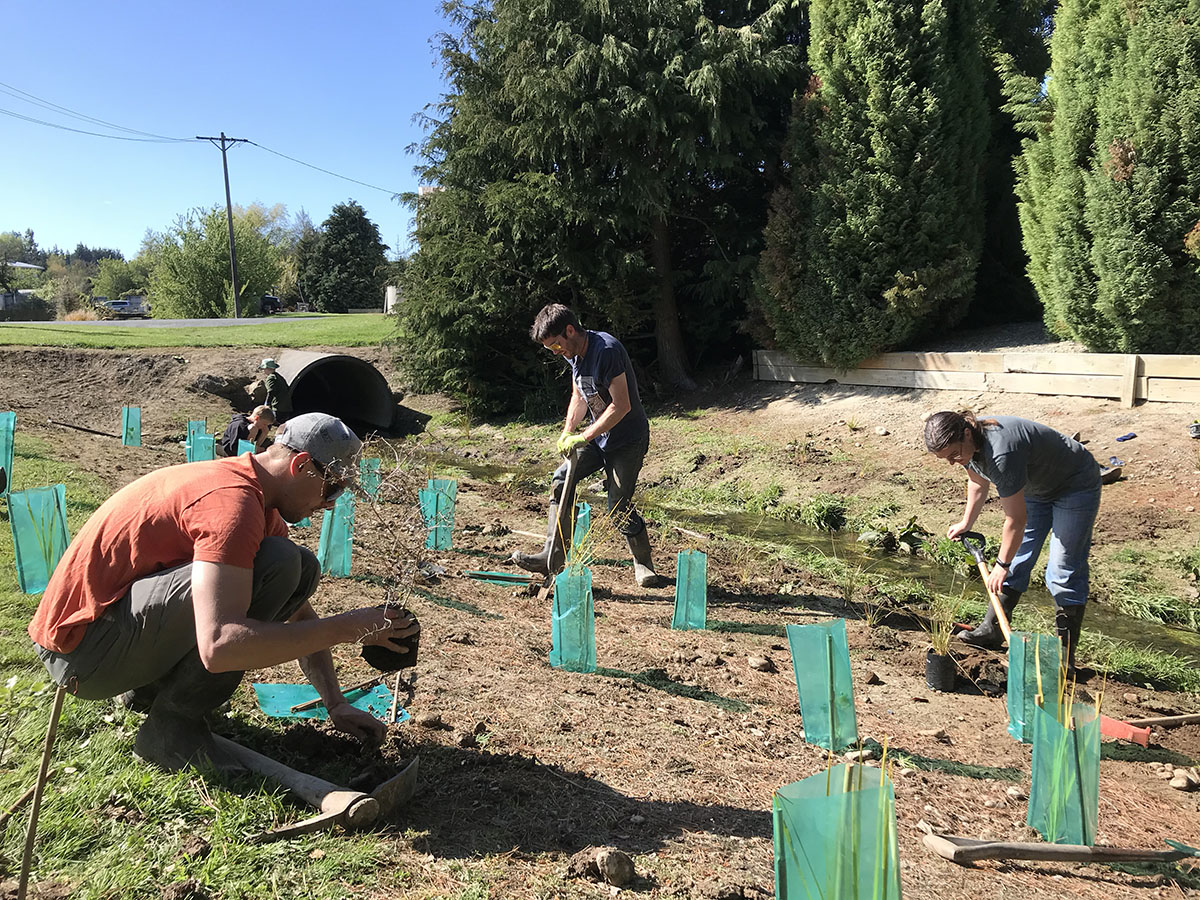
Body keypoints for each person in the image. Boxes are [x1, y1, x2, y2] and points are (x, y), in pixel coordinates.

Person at [28, 412, 420, 772]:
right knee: (280, 563)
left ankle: (147, 694)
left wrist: (335, 702)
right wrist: (348, 627)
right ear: (300, 465)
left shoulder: (257, 498)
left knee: (295, 567)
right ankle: (171, 732)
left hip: (105, 638)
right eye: (332, 489)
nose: (330, 504)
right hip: (81, 656)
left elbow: (300, 612)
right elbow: (221, 646)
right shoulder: (232, 504)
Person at [924, 410, 1101, 669]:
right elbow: (977, 481)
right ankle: (992, 629)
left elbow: (1015, 521)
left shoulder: (1001, 453)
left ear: (965, 433)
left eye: (953, 455)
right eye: (946, 459)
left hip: (1074, 484)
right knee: (1017, 559)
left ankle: (1065, 655)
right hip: (1035, 487)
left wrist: (1002, 565)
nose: (953, 462)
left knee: (1062, 568)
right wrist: (966, 523)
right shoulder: (966, 447)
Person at [511, 304, 663, 588]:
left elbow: (622, 406)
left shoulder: (607, 351)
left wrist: (584, 436)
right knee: (560, 480)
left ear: (570, 330)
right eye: (550, 349)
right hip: (599, 438)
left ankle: (643, 562)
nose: (556, 352)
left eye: (556, 345)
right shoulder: (573, 354)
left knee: (618, 507)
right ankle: (552, 556)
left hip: (627, 440)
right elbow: (579, 395)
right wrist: (568, 431)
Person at [258, 358, 293, 423]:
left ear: (267, 368)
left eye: (264, 369)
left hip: (278, 407)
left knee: (275, 423)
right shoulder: (279, 377)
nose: (263, 371)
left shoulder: (271, 378)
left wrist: (267, 405)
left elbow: (271, 392)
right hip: (287, 406)